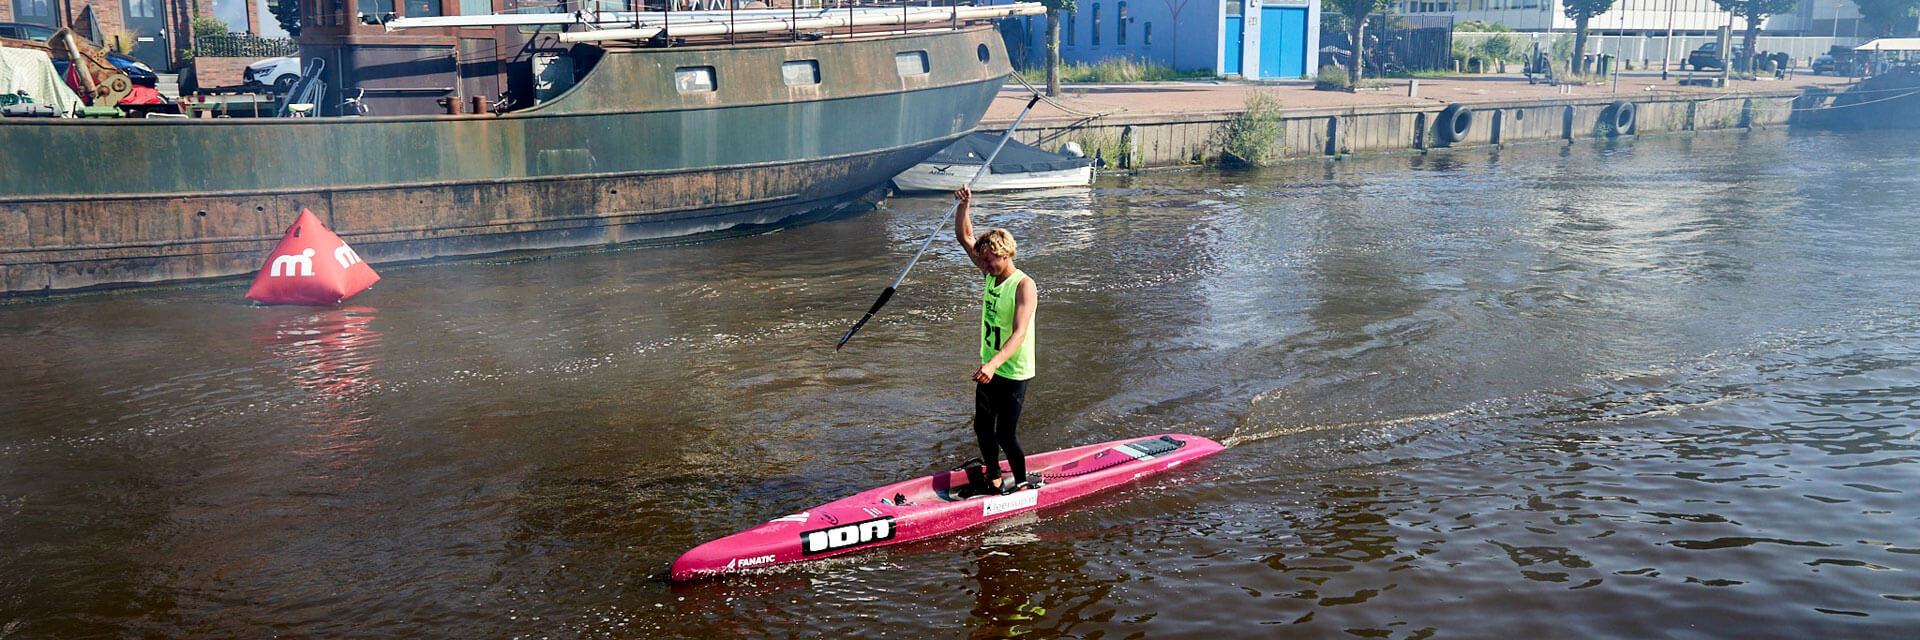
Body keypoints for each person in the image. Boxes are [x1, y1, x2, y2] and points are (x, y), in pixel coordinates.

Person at [954, 185, 1040, 494]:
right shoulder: (990, 274)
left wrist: (992, 364)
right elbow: (964, 237)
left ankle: (1022, 482)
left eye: (990, 260)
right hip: (991, 368)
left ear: (1005, 254)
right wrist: (965, 205)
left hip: (1013, 371)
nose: (984, 265)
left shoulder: (1024, 286)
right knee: (981, 426)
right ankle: (993, 475)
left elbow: (1019, 334)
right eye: (983, 260)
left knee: (1005, 433)